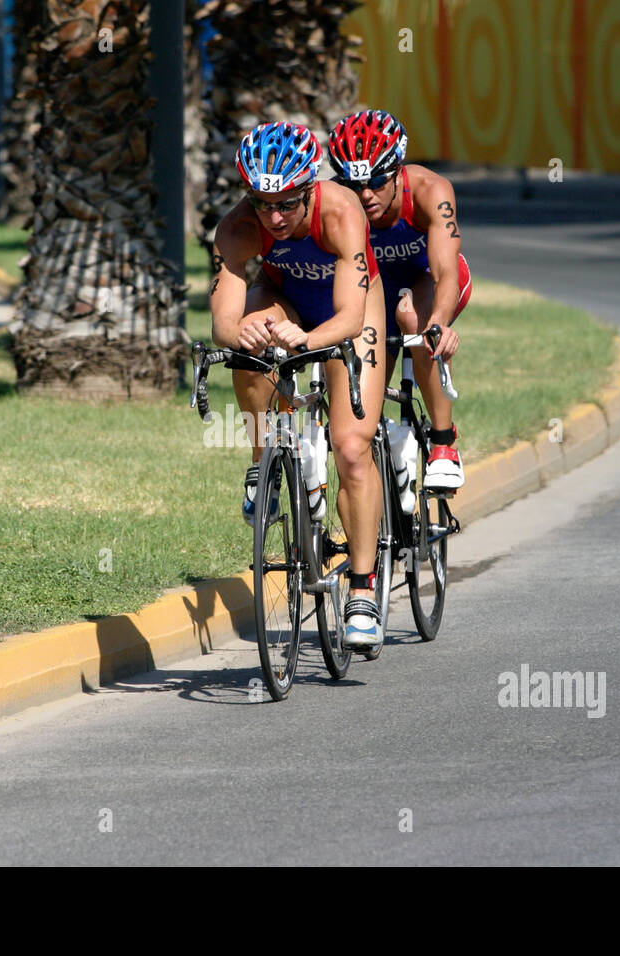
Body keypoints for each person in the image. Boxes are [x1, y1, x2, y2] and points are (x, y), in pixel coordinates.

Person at [209, 121, 388, 647]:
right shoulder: (237, 227)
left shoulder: (340, 211)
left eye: (289, 203)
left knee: (352, 446)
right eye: (264, 204)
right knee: (243, 355)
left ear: (311, 186)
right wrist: (245, 330)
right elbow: (222, 320)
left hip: (348, 312)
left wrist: (303, 341)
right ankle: (264, 458)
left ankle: (361, 589)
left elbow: (351, 316)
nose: (277, 217)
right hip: (285, 302)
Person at [326, 109, 471, 490]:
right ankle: (386, 440)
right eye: (353, 184)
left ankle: (443, 444)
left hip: (427, 282)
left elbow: (444, 272)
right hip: (375, 290)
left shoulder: (430, 192)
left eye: (376, 180)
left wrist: (438, 322)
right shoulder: (338, 203)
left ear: (397, 170)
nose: (366, 194)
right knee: (357, 384)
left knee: (415, 322)